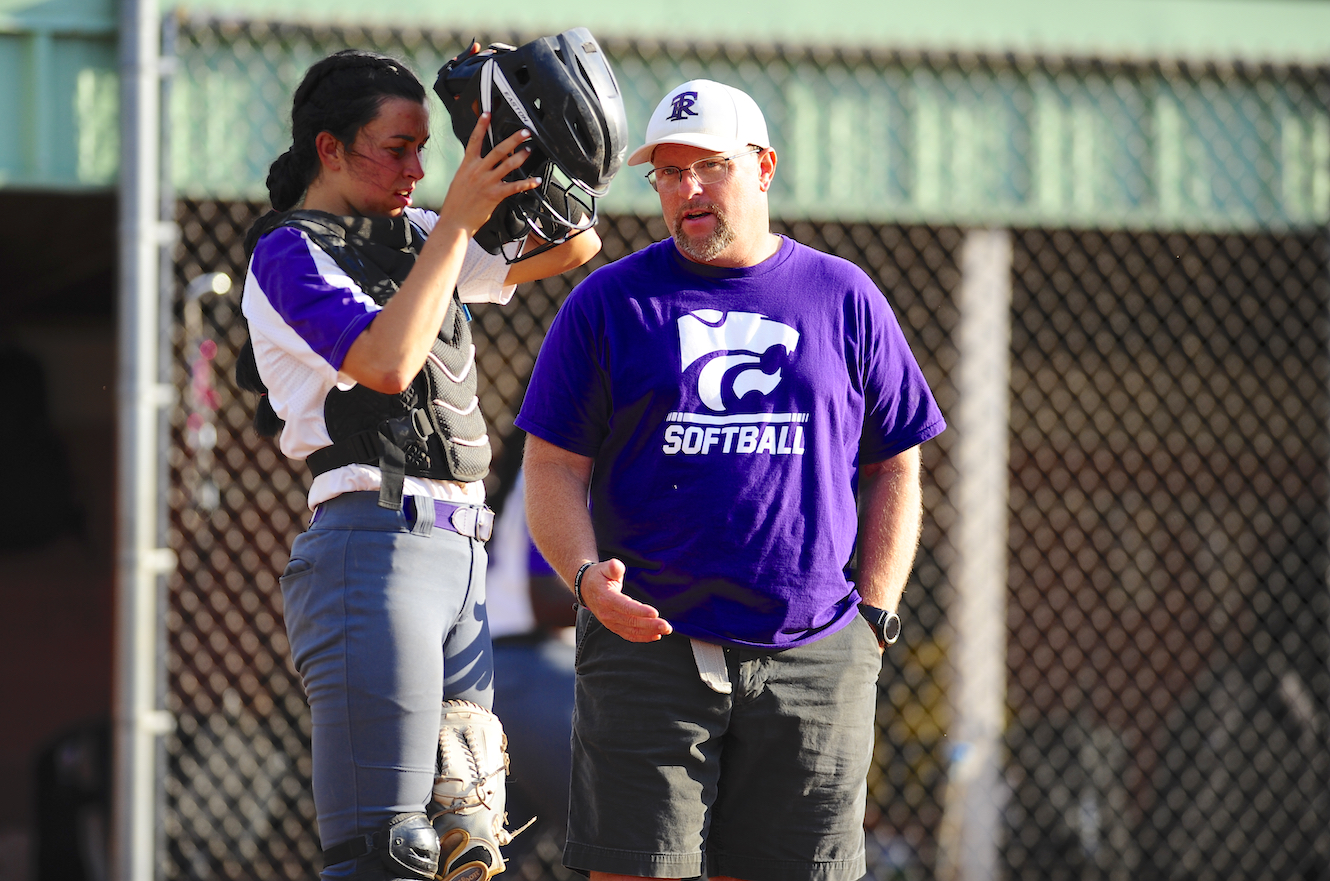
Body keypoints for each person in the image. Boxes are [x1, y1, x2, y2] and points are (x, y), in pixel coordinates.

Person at [517, 79, 947, 881]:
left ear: (764, 167)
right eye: (668, 176)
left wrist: (876, 614)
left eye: (707, 167)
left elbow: (897, 460)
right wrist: (584, 581)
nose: (687, 192)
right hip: (649, 646)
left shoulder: (843, 298)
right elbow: (551, 465)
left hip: (817, 652)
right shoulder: (608, 303)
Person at [238, 49, 601, 881]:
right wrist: (456, 223)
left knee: (471, 839)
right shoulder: (288, 253)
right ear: (329, 150)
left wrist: (518, 128)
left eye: (425, 146)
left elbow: (574, 242)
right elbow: (390, 362)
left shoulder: (418, 234)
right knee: (391, 852)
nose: (419, 168)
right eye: (395, 147)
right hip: (372, 545)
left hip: (459, 553)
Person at [486, 463, 576, 866]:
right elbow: (548, 599)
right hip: (526, 668)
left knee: (485, 863)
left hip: (523, 675)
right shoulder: (562, 463)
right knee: (635, 843)